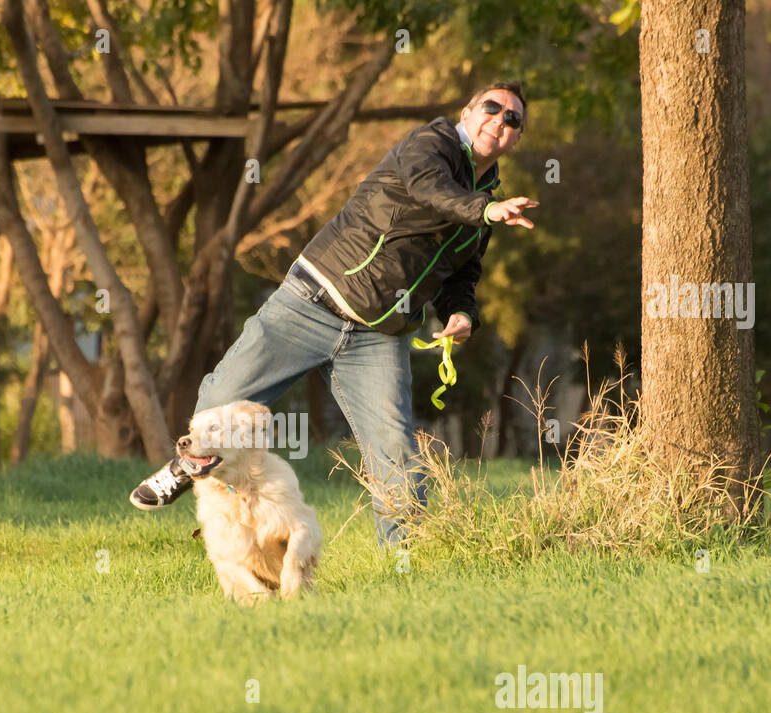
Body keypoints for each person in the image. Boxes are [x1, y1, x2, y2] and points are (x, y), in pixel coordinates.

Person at [130, 81, 539, 545]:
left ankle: (406, 564)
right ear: (467, 112)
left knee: (395, 454)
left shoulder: (490, 200)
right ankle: (188, 468)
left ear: (516, 138)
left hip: (380, 335)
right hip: (312, 300)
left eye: (512, 119)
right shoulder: (431, 145)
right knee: (218, 401)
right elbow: (431, 190)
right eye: (491, 107)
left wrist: (462, 314)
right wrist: (485, 210)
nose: (500, 120)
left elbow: (462, 272)